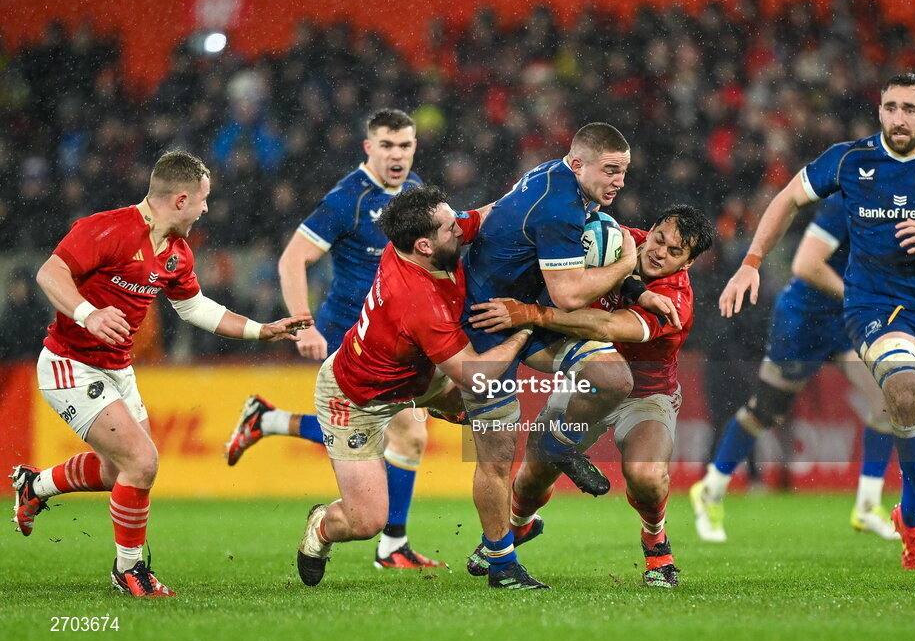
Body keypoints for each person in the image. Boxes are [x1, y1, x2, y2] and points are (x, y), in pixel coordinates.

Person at [718, 73, 915, 571]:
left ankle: (911, 511)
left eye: (910, 109)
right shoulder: (850, 159)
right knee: (902, 390)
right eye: (891, 108)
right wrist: (750, 261)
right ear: (880, 111)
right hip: (872, 305)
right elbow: (788, 197)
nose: (899, 118)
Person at [11, 150, 310, 597]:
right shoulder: (107, 227)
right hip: (69, 365)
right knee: (142, 461)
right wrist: (88, 313)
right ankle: (128, 570)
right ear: (180, 199)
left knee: (122, 472)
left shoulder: (177, 253)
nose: (207, 208)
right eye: (203, 200)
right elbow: (49, 273)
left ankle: (36, 485)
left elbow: (194, 308)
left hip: (117, 369)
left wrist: (260, 330)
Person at [457, 122, 680, 587]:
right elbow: (570, 295)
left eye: (625, 171)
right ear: (578, 164)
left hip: (529, 314)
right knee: (494, 455)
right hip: (489, 321)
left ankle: (559, 441)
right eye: (611, 170)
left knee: (614, 380)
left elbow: (502, 215)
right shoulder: (559, 208)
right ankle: (501, 563)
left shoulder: (556, 177)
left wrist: (635, 289)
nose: (619, 181)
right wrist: (627, 264)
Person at [224, 109, 446, 569]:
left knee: (402, 435)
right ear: (369, 148)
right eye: (387, 145)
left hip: (396, 340)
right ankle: (391, 545)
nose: (397, 155)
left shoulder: (415, 192)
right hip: (348, 336)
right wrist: (303, 324)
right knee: (400, 431)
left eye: (405, 146)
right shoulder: (349, 199)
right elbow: (291, 260)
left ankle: (266, 421)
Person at [294, 185, 535, 589]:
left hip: (415, 377)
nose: (458, 229)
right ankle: (321, 526)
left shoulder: (412, 244)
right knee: (366, 521)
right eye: (448, 227)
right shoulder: (417, 300)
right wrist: (525, 326)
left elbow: (492, 210)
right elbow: (474, 374)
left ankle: (514, 520)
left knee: (492, 420)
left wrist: (545, 181)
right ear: (424, 245)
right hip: (355, 398)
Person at [468, 204, 715, 588]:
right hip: (588, 381)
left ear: (689, 263)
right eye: (659, 238)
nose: (659, 251)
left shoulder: (676, 301)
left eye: (674, 251)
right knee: (533, 475)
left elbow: (606, 324)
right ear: (649, 229)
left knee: (646, 475)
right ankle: (515, 528)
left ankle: (656, 544)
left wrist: (532, 314)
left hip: (645, 395)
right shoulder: (617, 241)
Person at [690, 194, 900, 543]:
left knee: (886, 401)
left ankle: (867, 504)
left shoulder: (891, 217)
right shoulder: (840, 211)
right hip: (803, 322)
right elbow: (806, 266)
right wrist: (859, 297)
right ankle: (711, 489)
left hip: (844, 322)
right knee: (765, 412)